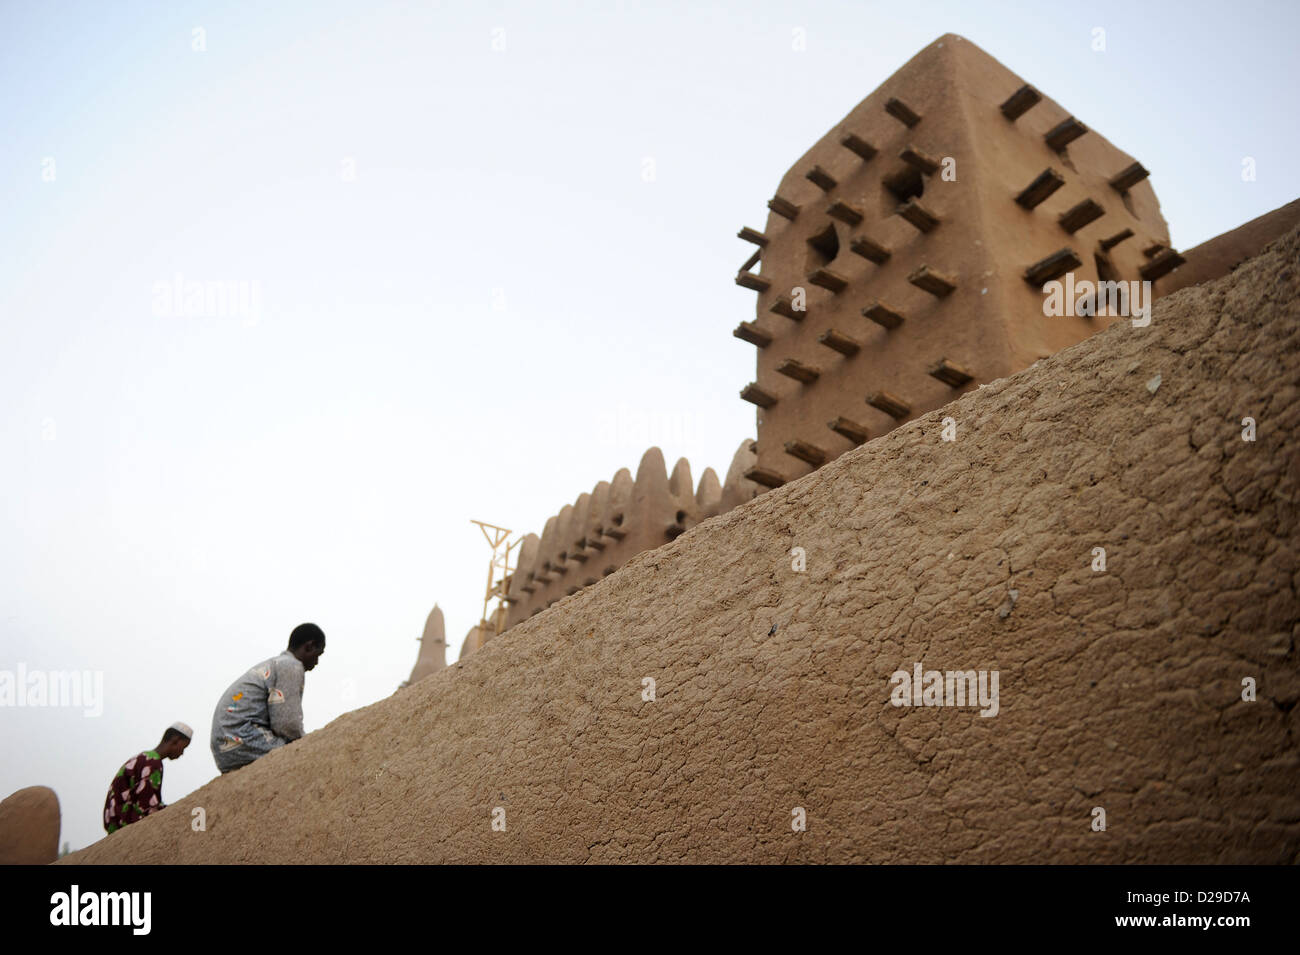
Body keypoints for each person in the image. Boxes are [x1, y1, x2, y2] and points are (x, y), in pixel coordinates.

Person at [210, 622, 325, 774]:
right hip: (243, 738)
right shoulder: (291, 666)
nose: (316, 662)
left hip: (224, 749)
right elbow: (287, 724)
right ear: (309, 646)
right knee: (307, 756)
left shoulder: (276, 663)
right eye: (318, 655)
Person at [102, 722, 192, 834]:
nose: (182, 753)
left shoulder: (144, 757)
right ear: (175, 740)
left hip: (113, 820)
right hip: (124, 822)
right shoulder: (152, 762)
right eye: (183, 748)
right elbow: (147, 806)